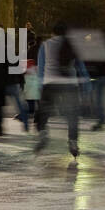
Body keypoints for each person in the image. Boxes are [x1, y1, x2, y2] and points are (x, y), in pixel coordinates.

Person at [35, 22, 81, 158]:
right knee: (72, 115)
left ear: (53, 32)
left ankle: (43, 133)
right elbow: (80, 65)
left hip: (50, 82)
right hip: (69, 84)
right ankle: (73, 141)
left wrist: (40, 85)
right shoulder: (72, 44)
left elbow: (41, 66)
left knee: (43, 113)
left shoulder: (46, 44)